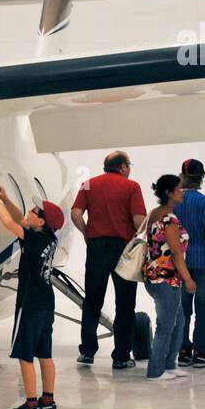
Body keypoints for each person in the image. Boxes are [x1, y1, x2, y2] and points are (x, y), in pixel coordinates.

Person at [0, 183, 63, 409]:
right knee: (45, 354)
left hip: (30, 304)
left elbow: (11, 223)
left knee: (25, 355)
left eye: (35, 211)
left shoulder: (34, 239)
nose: (30, 211)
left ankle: (30, 405)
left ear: (40, 222)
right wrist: (6, 199)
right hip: (46, 303)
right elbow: (21, 220)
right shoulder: (48, 237)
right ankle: (48, 400)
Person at [72, 150, 147, 370]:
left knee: (92, 300)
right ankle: (121, 356)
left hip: (96, 247)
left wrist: (87, 234)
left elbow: (76, 214)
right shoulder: (132, 187)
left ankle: (87, 352)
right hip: (123, 250)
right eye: (129, 165)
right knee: (125, 304)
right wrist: (137, 240)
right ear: (123, 166)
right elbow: (139, 220)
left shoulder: (88, 184)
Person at [143, 174, 197, 381]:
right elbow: (175, 252)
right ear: (169, 193)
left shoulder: (154, 214)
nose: (182, 192)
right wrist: (188, 278)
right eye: (179, 189)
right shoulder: (169, 219)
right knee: (166, 324)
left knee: (179, 320)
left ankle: (169, 364)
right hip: (166, 278)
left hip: (155, 276)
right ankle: (155, 370)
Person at [174, 159, 205, 367]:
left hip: (180, 260)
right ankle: (201, 352)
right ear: (200, 178)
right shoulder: (204, 202)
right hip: (203, 261)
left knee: (183, 309)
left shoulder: (174, 201)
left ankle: (182, 350)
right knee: (203, 310)